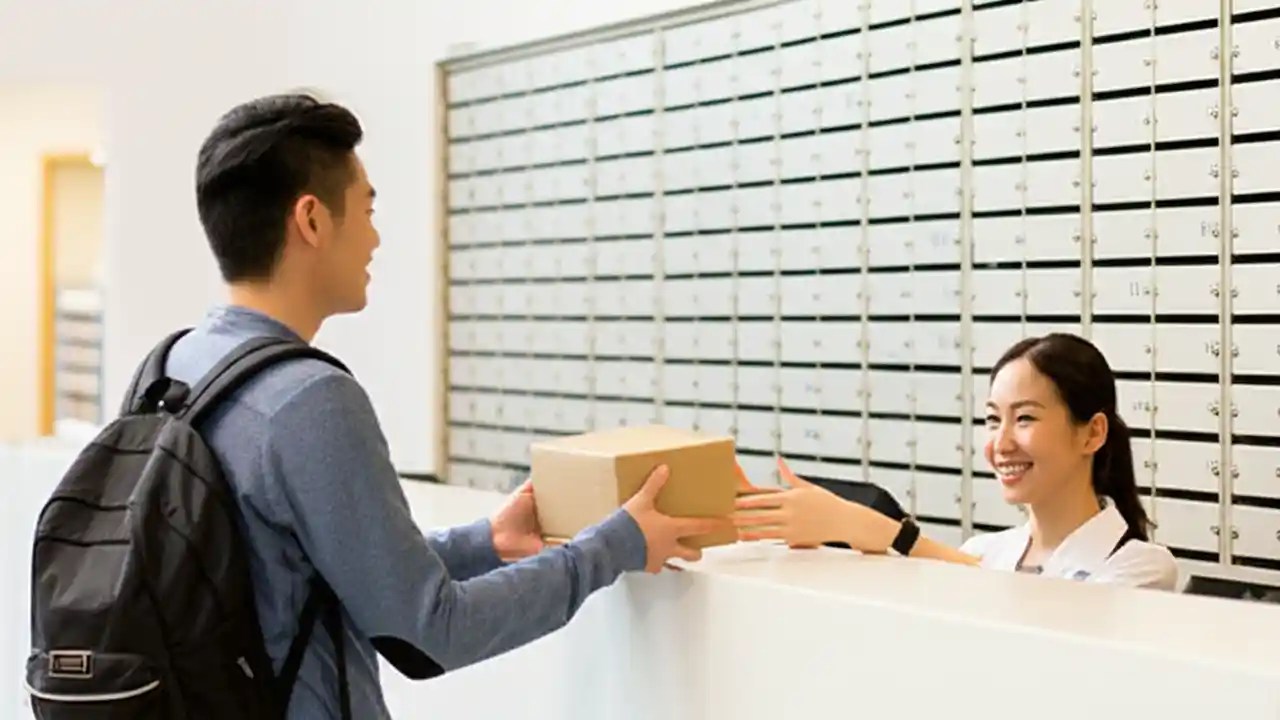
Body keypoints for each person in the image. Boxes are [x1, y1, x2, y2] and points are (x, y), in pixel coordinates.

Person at [163, 92, 727, 719]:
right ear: (313, 220)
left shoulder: (177, 366)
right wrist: (611, 548)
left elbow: (310, 573)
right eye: (368, 208)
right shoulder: (309, 399)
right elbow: (429, 632)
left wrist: (485, 541)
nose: (375, 238)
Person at [733, 332, 1180, 591]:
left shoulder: (1142, 567)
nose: (1000, 443)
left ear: (1093, 433)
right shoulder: (981, 552)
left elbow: (1041, 627)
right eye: (991, 419)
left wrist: (878, 530)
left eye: (1024, 418)